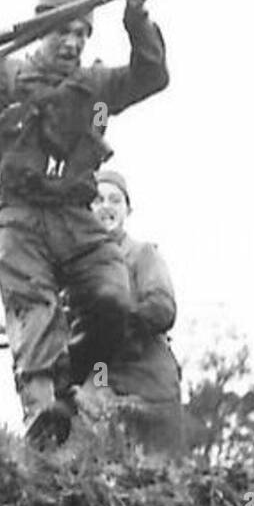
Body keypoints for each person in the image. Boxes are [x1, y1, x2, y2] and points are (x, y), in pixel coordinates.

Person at [0, 0, 168, 448]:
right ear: (39, 32)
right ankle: (42, 415)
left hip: (75, 216)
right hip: (19, 216)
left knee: (113, 299)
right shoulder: (4, 78)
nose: (72, 43)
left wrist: (136, 16)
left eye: (82, 34)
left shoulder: (97, 87)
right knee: (35, 309)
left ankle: (70, 385)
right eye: (62, 31)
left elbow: (151, 75)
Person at [86, 169, 182, 452]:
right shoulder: (77, 267)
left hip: (149, 383)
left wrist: (120, 319)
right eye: (98, 200)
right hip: (106, 377)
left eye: (115, 200)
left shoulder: (142, 255)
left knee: (159, 472)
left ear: (128, 210)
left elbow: (162, 308)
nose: (106, 207)